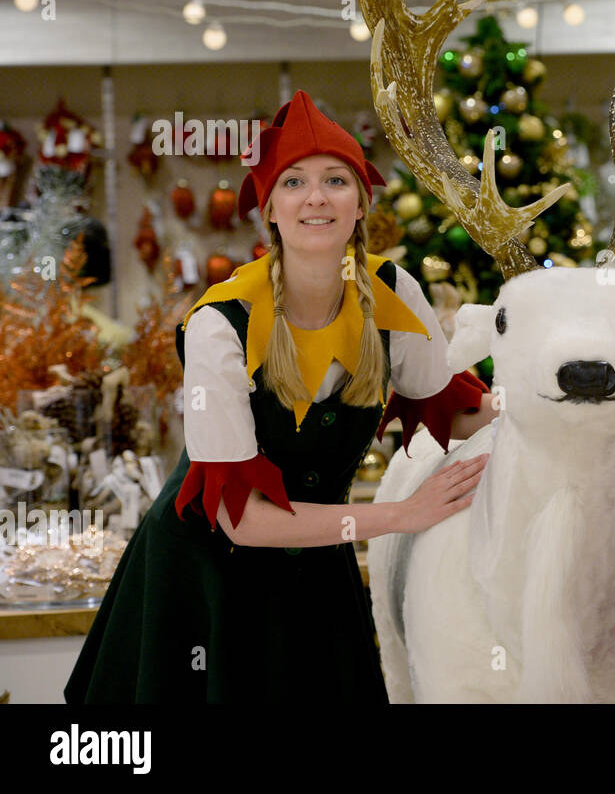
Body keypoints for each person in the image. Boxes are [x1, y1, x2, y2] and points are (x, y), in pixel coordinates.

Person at [65, 90, 495, 703]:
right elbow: (241, 520)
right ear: (269, 209)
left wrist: (576, 409)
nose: (316, 197)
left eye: (335, 180)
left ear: (360, 202)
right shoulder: (221, 321)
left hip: (318, 560)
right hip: (208, 579)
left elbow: (453, 405)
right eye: (293, 182)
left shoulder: (394, 293)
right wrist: (400, 514)